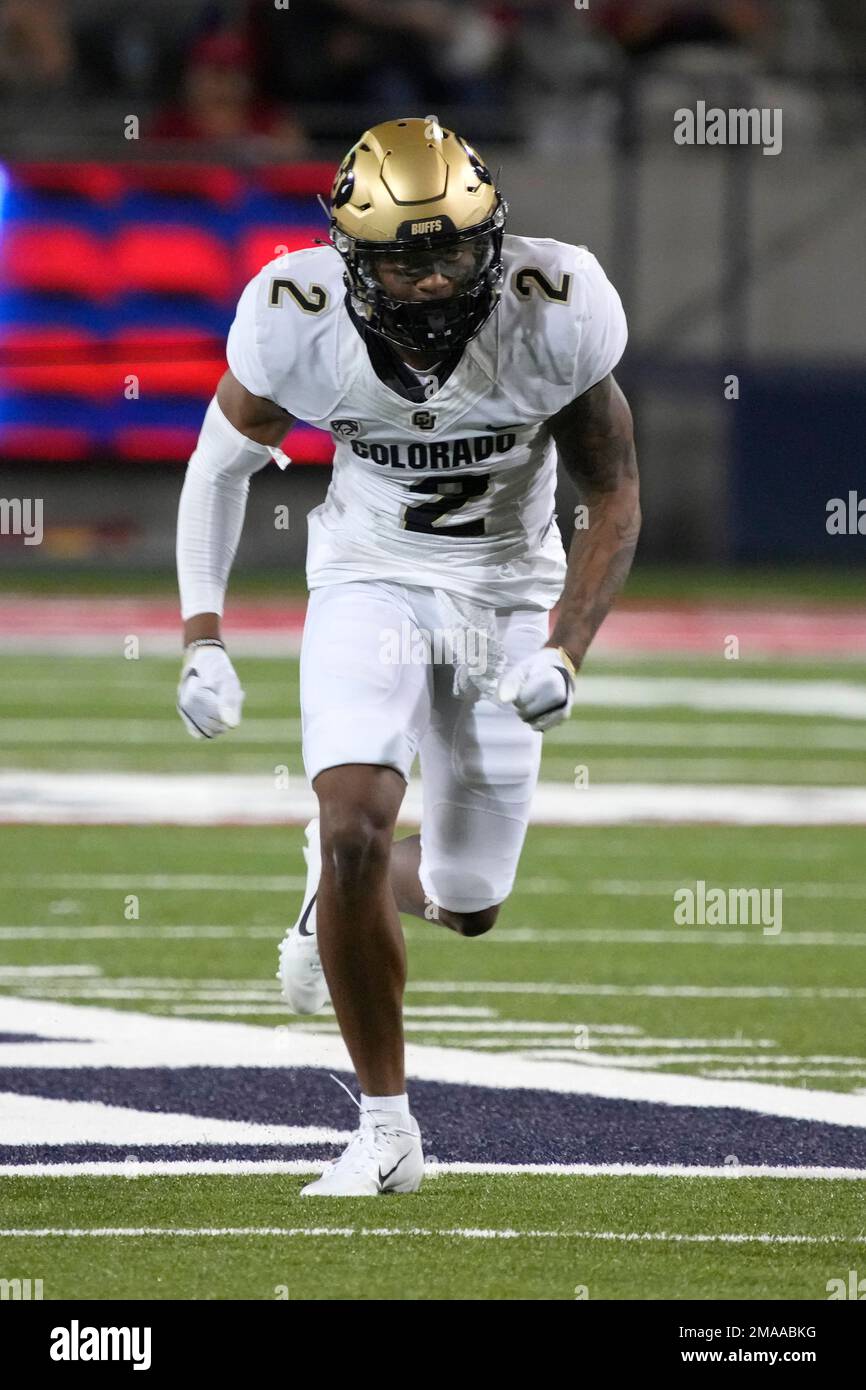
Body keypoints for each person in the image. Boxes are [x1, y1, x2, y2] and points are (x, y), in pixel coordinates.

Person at [175, 117, 640, 1196]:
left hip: (507, 589)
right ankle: (386, 1129)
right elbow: (218, 468)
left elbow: (611, 492)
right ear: (351, 254)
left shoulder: (556, 307)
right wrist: (201, 635)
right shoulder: (293, 314)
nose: (430, 281)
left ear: (492, 238)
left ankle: (340, 890)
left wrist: (564, 651)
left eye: (451, 251)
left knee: (468, 896)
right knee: (351, 824)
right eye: (401, 257)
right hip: (367, 576)